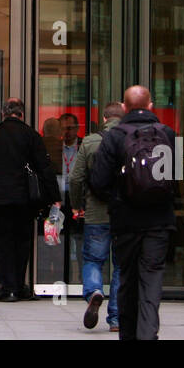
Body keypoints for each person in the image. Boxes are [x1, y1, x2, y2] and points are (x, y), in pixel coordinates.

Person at [90, 85, 176, 340]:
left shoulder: (115, 136)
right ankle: (148, 334)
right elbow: (177, 178)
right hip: (159, 221)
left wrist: (118, 199)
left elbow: (98, 181)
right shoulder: (168, 134)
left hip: (126, 221)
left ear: (125, 108)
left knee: (127, 279)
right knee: (151, 279)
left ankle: (127, 334)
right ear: (151, 106)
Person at [0, 97, 60, 301]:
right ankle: (19, 286)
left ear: (4, 113)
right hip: (24, 199)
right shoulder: (30, 136)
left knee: (3, 243)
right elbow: (44, 168)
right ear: (21, 114)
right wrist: (54, 197)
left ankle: (8, 288)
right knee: (22, 242)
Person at [70, 101, 125, 331]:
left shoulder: (90, 141)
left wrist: (76, 206)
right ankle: (116, 319)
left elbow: (75, 178)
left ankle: (94, 290)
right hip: (125, 214)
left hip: (95, 211)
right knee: (121, 266)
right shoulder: (131, 139)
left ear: (104, 118)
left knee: (93, 259)